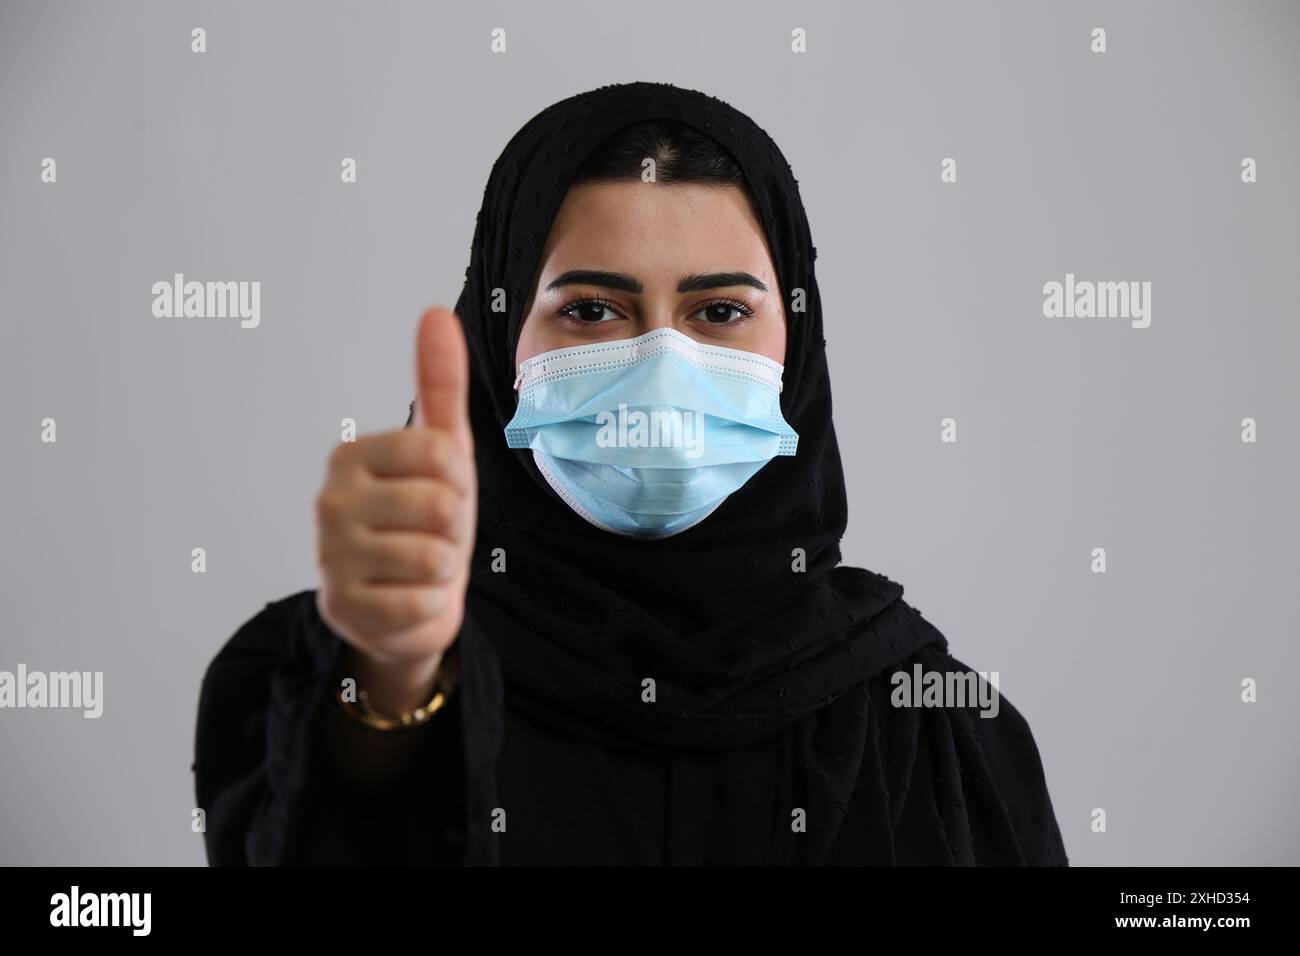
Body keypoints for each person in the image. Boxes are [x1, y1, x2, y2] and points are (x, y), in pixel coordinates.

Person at [193, 80, 1068, 866]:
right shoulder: (317, 675)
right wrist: (390, 683)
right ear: (497, 344)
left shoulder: (932, 729)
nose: (660, 365)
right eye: (591, 310)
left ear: (797, 347)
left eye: (720, 311)